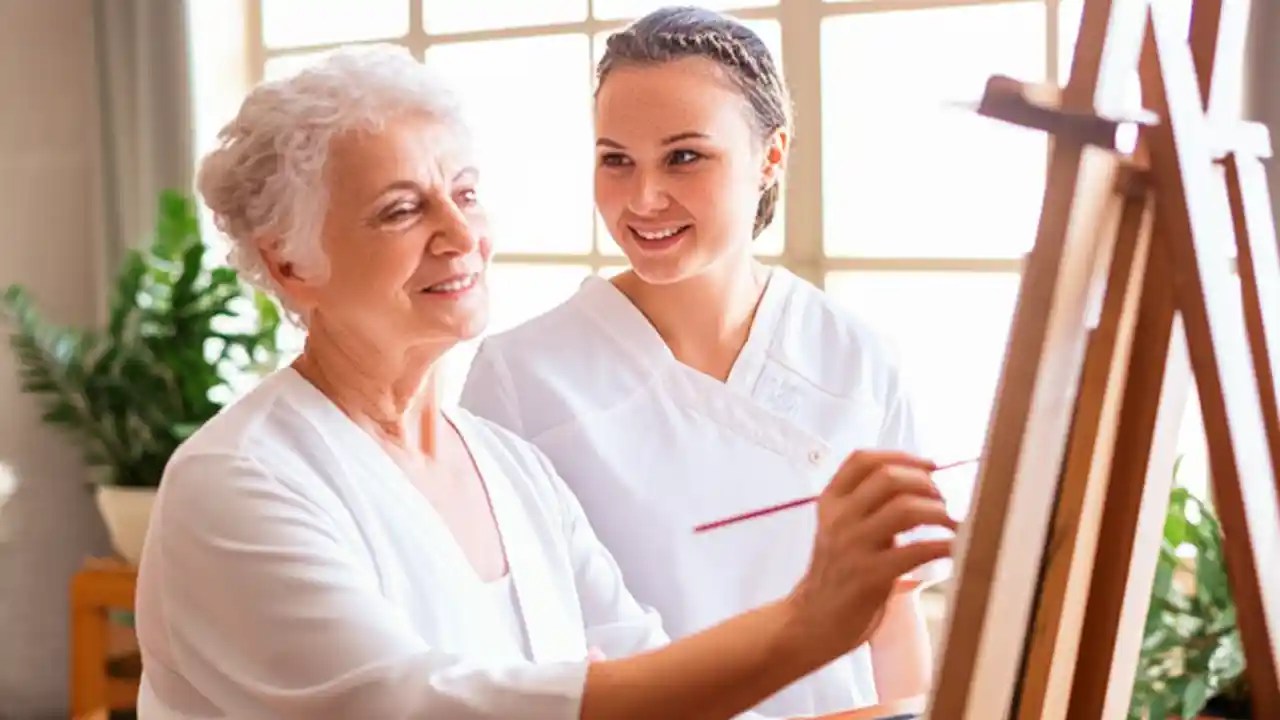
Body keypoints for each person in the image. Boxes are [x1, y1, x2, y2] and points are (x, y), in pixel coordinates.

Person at [132, 45, 956, 719]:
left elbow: (656, 677)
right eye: (400, 209)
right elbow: (422, 710)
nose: (462, 235)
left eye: (464, 194)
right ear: (288, 261)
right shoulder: (238, 483)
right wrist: (808, 619)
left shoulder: (507, 468)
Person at [460, 6, 954, 717]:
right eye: (615, 160)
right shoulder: (520, 377)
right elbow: (509, 647)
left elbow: (893, 631)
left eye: (684, 156)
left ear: (771, 155)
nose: (644, 198)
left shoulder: (856, 358)